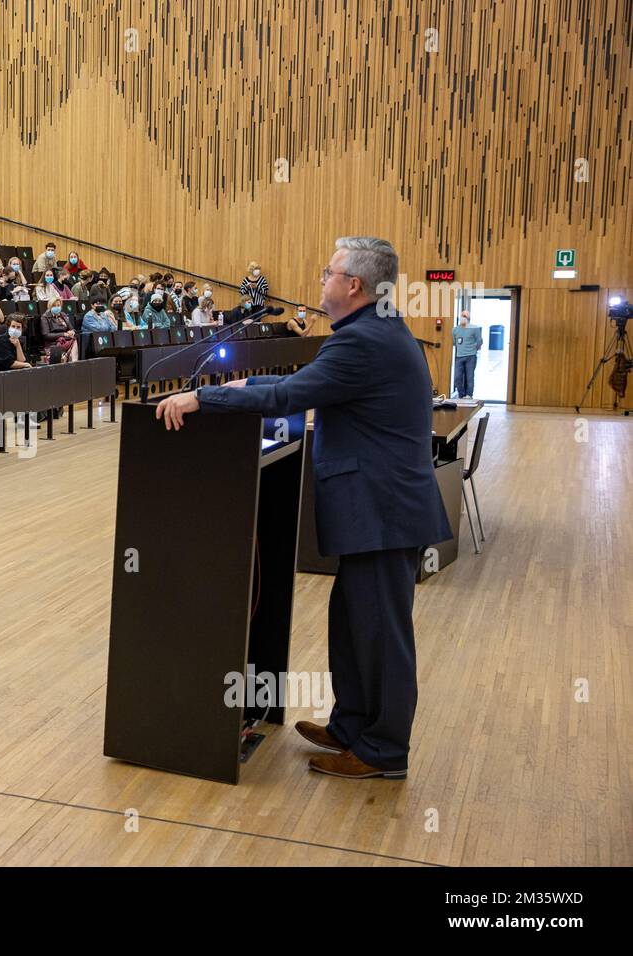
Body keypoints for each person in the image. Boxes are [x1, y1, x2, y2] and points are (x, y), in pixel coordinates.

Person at [156, 236, 453, 780]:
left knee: (381, 636)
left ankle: (382, 751)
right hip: (380, 510)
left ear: (354, 285)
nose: (322, 280)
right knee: (354, 624)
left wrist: (206, 397)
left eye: (328, 272)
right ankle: (352, 727)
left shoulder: (363, 342)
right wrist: (245, 381)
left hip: (383, 513)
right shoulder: (375, 330)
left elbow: (292, 397)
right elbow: (300, 385)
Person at [452, 311, 482, 398]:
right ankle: (461, 395)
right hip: (459, 356)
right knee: (457, 378)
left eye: (465, 316)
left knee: (469, 377)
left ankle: (469, 395)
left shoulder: (475, 329)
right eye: (462, 315)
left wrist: (474, 348)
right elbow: (454, 342)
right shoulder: (455, 330)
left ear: (469, 318)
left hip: (471, 356)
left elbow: (479, 341)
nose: (463, 317)